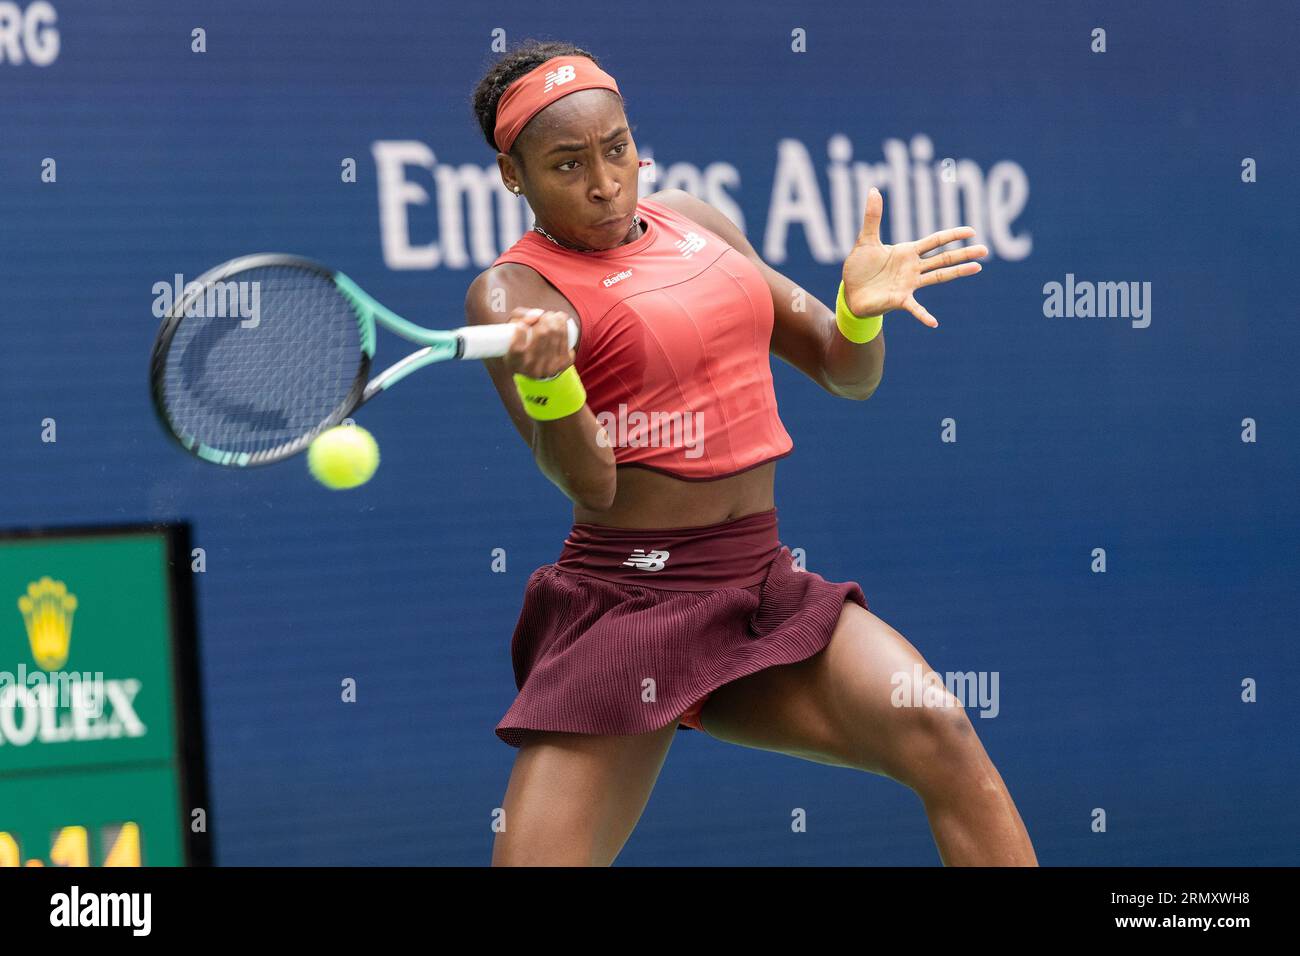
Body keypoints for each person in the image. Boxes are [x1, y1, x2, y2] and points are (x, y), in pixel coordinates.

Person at [465, 39, 1037, 867]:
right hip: (628, 605)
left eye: (617, 148)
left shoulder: (693, 221)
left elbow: (845, 371)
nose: (604, 183)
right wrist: (553, 385)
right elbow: (589, 479)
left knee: (938, 730)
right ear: (513, 175)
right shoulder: (512, 295)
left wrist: (857, 310)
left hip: (758, 585)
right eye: (566, 164)